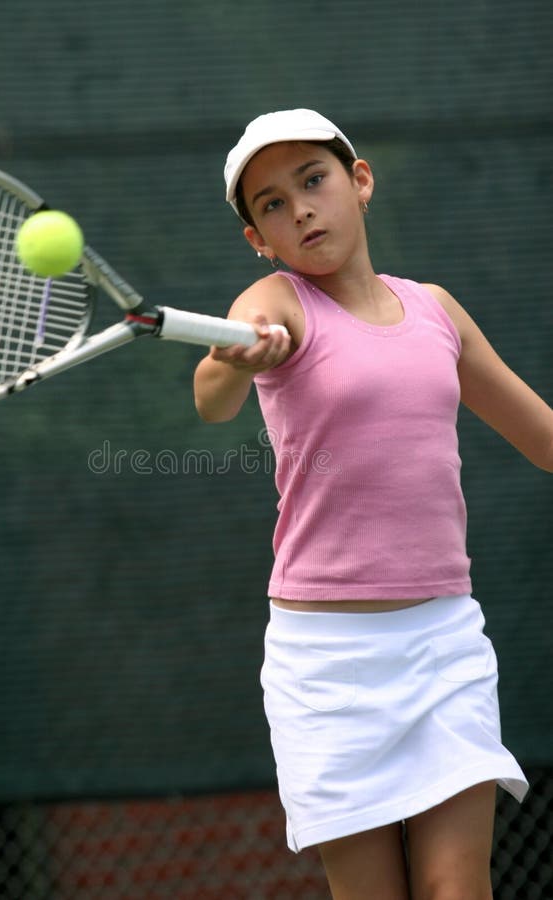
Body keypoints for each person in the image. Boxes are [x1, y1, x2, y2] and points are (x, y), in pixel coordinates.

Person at [193, 109, 553, 900]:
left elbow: (543, 437)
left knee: (457, 890)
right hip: (325, 665)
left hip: (442, 644)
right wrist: (233, 353)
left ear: (359, 182)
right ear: (258, 237)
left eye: (312, 181)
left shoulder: (435, 311)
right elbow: (211, 398)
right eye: (271, 206)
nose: (300, 211)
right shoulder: (274, 300)